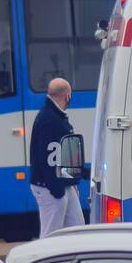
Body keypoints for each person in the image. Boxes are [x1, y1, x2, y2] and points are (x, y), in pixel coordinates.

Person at [28, 77, 84, 238]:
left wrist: (77, 176)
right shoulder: (49, 119)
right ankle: (41, 260)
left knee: (77, 228)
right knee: (50, 234)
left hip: (62, 183)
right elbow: (46, 157)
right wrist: (56, 189)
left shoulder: (53, 116)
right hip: (50, 186)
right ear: (67, 96)